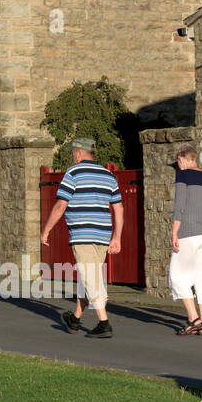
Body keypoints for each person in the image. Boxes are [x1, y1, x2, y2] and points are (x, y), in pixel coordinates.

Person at [40, 137, 124, 338]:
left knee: (90, 277)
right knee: (90, 276)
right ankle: (75, 318)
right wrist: (117, 237)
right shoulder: (108, 175)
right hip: (103, 234)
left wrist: (46, 230)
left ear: (78, 153)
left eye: (73, 152)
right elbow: (119, 208)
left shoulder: (73, 173)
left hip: (82, 233)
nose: (72, 156)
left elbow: (61, 204)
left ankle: (104, 323)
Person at [169, 143, 202, 335]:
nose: (178, 165)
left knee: (176, 276)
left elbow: (179, 204)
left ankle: (194, 318)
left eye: (178, 162)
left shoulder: (183, 174)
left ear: (182, 158)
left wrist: (175, 232)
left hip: (190, 231)